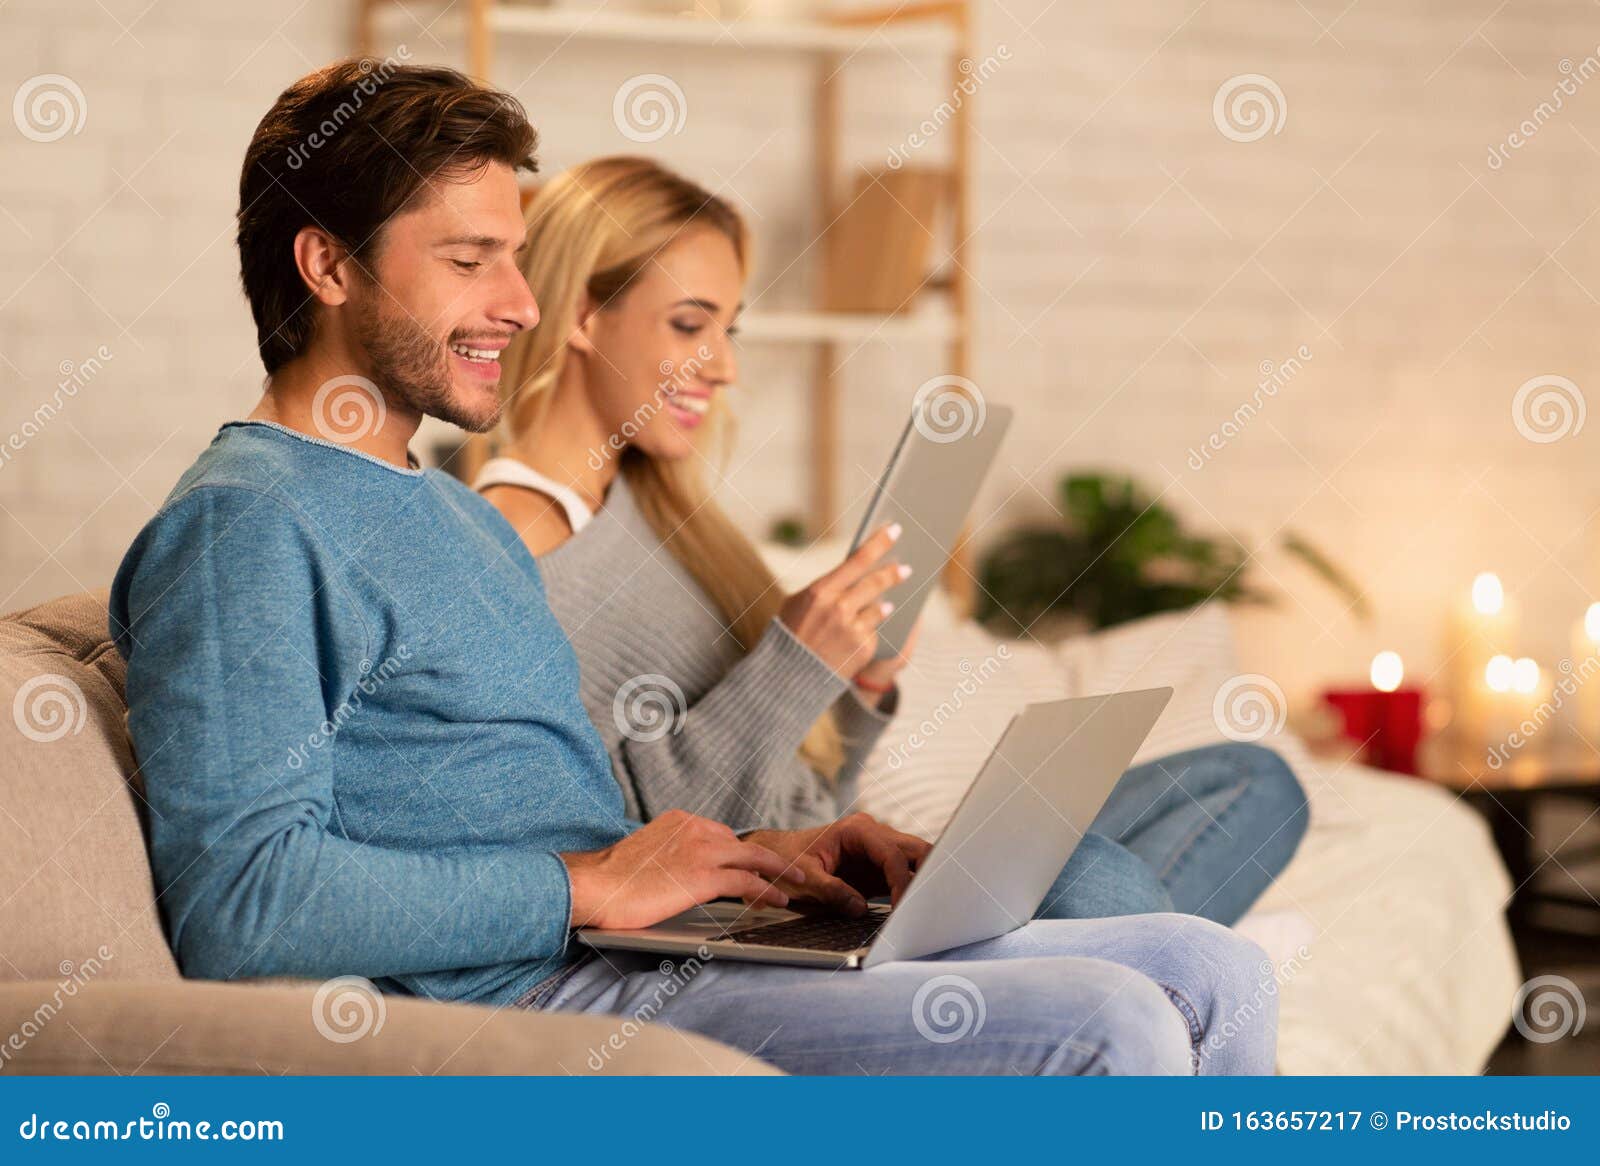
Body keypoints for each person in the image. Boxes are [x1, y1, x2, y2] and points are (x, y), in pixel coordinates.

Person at [109, 59, 1278, 1076]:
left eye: (516, 259)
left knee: (1213, 967)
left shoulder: (452, 518)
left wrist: (762, 855)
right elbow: (241, 899)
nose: (520, 304)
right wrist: (591, 886)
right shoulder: (244, 526)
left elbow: (569, 811)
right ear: (327, 265)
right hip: (539, 1000)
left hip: (642, 949)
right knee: (1120, 1017)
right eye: (471, 260)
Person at [480, 156, 1309, 925]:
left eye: (729, 331)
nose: (724, 367)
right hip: (753, 917)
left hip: (834, 873)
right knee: (1097, 880)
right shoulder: (516, 549)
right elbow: (644, 845)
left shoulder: (656, 509)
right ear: (583, 314)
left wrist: (858, 685)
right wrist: (794, 663)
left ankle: (1100, 980)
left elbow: (802, 798)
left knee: (1254, 782)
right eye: (690, 324)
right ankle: (1115, 983)